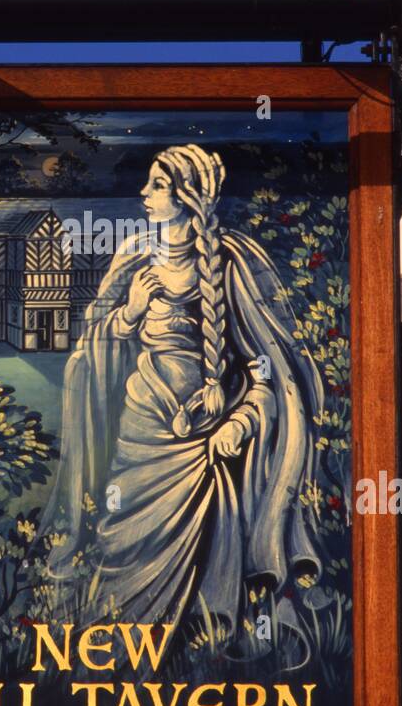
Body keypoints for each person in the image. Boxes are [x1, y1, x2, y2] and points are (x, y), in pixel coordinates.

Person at [42, 143, 329, 649]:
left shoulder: (230, 264)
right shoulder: (133, 258)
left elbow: (263, 363)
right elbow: (91, 346)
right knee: (122, 536)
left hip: (200, 438)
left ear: (187, 194)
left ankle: (199, 646)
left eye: (156, 184)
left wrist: (239, 422)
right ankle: (111, 652)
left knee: (208, 548)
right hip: (139, 428)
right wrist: (130, 312)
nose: (144, 194)